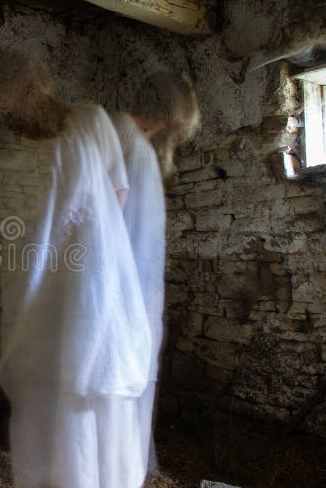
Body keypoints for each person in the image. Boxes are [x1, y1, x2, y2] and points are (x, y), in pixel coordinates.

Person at [0, 47, 154, 488]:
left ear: (26, 83)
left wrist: (84, 247)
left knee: (86, 383)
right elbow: (26, 224)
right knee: (47, 392)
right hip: (45, 290)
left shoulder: (89, 120)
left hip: (91, 282)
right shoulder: (21, 148)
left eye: (1, 93)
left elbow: (117, 196)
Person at [110, 72, 200, 480]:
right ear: (173, 115)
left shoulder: (117, 136)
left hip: (116, 287)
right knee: (124, 386)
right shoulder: (135, 150)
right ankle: (123, 470)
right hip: (125, 290)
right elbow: (132, 234)